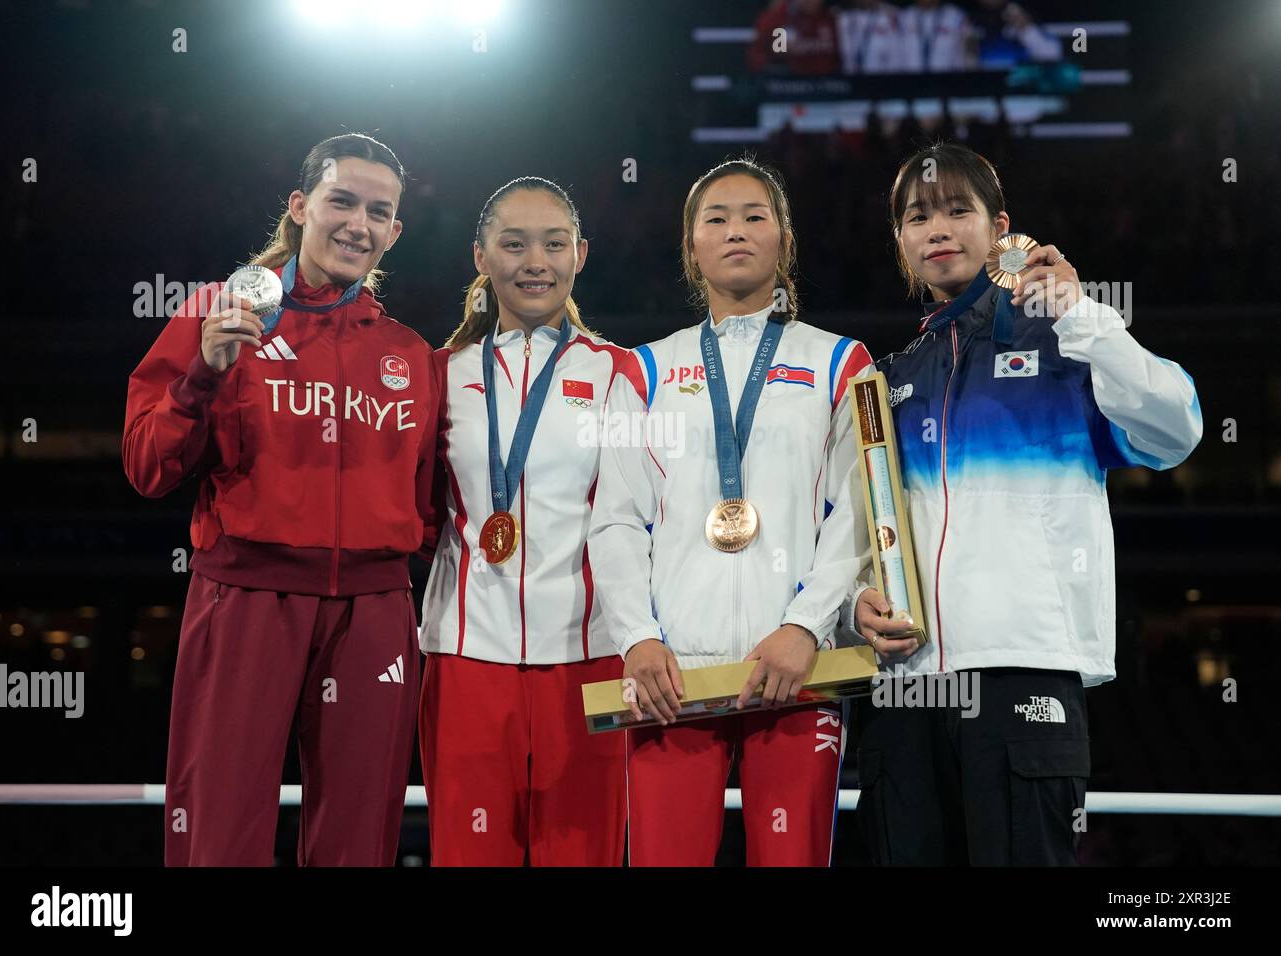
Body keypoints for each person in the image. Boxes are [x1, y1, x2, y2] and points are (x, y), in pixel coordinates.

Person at [851, 141, 1203, 865]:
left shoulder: (1067, 342)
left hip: (1025, 672)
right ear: (900, 241)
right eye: (918, 217)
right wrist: (854, 601)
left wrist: (1083, 314)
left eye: (958, 209)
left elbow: (1177, 429)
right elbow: (870, 530)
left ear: (999, 226)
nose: (938, 228)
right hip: (904, 689)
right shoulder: (886, 377)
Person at [123, 133, 439, 866]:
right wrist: (202, 373)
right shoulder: (219, 313)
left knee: (358, 843)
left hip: (375, 611)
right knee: (219, 833)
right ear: (300, 208)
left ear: (395, 231)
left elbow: (425, 506)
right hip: (245, 597)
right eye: (341, 201)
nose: (358, 223)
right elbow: (146, 466)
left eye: (378, 211)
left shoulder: (410, 353)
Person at [588, 157, 899, 866]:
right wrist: (636, 637)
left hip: (796, 670)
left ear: (784, 240)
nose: (736, 231)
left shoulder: (840, 363)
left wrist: (804, 627)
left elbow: (857, 514)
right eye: (715, 219)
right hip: (672, 678)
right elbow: (614, 519)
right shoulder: (645, 370)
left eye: (755, 216)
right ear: (691, 246)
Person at [419, 178, 627, 866]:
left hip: (593, 659)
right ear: (482, 257)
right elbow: (413, 508)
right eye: (513, 244)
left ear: (581, 255)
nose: (534, 260)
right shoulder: (438, 374)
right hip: (466, 656)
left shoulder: (624, 375)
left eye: (554, 243)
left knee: (584, 856)